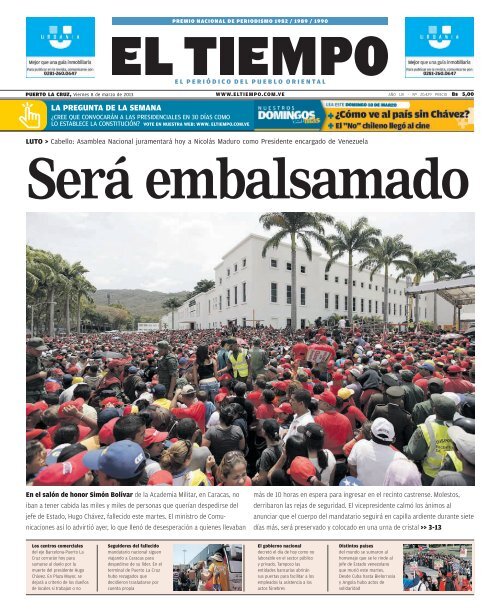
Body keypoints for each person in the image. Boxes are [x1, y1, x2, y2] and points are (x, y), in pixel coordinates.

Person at [404, 395, 456, 485]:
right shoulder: (459, 428)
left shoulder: (425, 429)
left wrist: (405, 448)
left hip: (430, 476)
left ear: (434, 410)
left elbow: (414, 454)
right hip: (454, 475)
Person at [348, 418, 405, 485]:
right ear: (393, 439)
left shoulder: (360, 445)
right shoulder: (401, 459)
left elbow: (351, 465)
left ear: (371, 434)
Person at [370, 386, 415, 452]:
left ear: (388, 397)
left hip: (378, 445)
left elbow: (371, 425)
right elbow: (408, 438)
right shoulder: (406, 417)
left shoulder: (378, 410)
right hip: (396, 450)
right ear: (401, 399)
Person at [252, 419, 282, 485]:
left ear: (264, 432)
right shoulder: (283, 443)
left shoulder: (266, 453)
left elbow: (262, 482)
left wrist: (254, 481)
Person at [26, 337, 49, 403]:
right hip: (28, 395)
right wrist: (38, 375)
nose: (40, 352)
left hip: (40, 392)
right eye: (37, 350)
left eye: (42, 350)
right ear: (28, 348)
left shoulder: (37, 358)